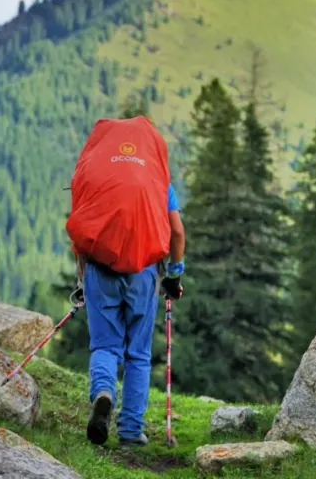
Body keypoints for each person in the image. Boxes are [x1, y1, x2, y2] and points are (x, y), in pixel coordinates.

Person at [76, 182, 187, 447]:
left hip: (100, 268)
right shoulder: (158, 181)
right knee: (138, 353)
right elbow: (178, 233)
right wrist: (174, 276)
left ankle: (104, 391)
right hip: (143, 271)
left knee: (105, 346)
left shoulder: (99, 176)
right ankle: (130, 432)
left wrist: (83, 280)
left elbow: (80, 233)